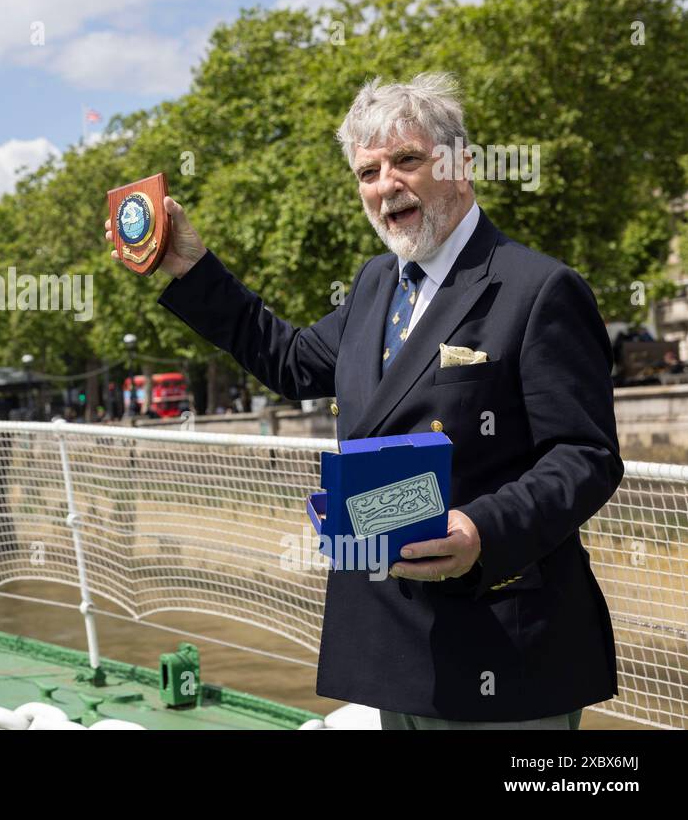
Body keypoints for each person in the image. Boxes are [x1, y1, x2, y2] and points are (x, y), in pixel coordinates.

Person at [107, 73, 622, 729]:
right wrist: (191, 267)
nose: (386, 185)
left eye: (406, 160)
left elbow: (584, 457)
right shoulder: (378, 281)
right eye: (367, 171)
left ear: (461, 166)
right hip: (393, 642)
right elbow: (291, 362)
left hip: (503, 645)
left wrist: (480, 530)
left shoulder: (540, 288)